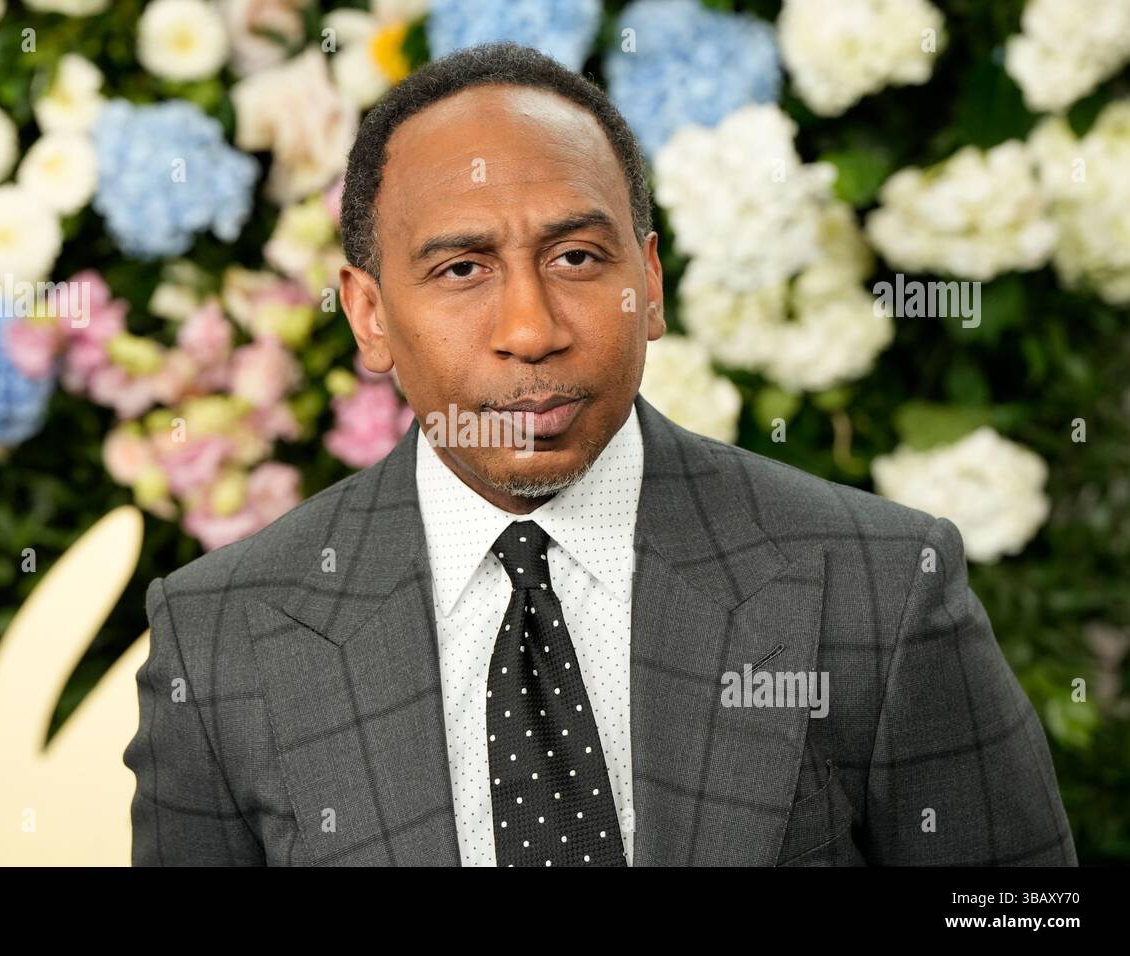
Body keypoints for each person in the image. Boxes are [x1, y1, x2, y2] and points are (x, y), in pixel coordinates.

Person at [123, 42, 1076, 867]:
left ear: (650, 284)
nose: (531, 329)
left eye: (578, 259)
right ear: (369, 315)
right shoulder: (221, 643)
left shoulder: (878, 591)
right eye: (462, 270)